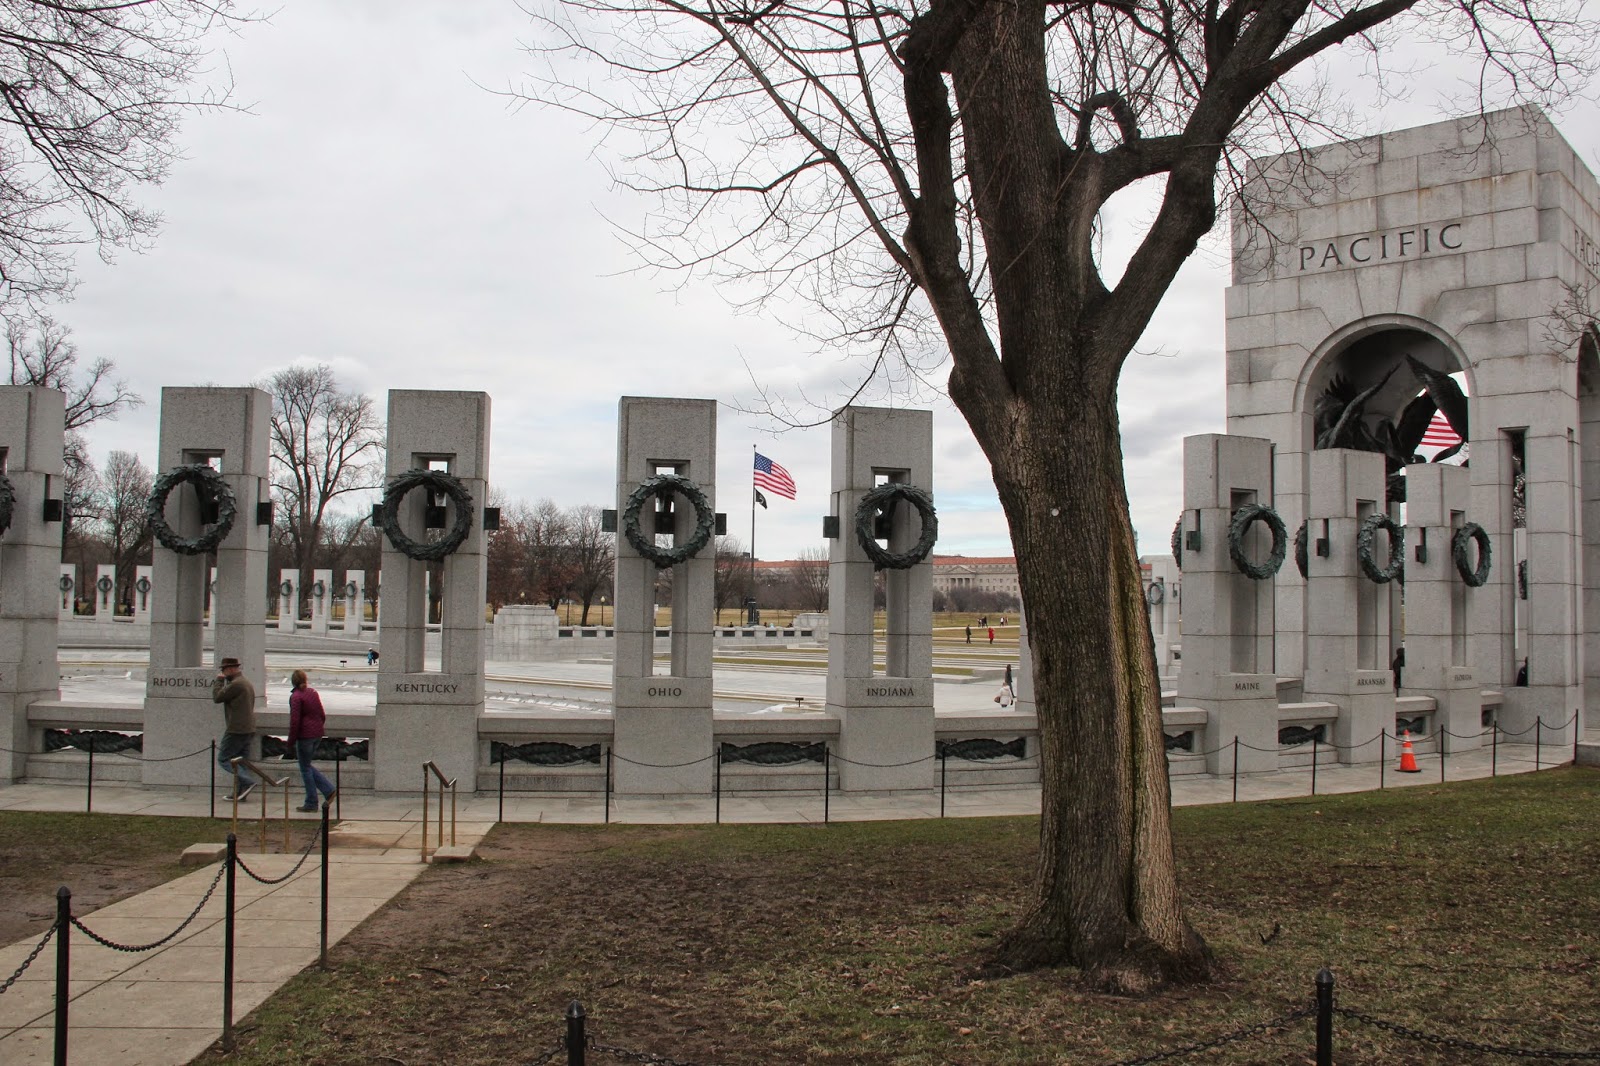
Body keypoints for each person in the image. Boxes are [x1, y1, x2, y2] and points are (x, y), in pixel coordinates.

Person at [288, 669, 336, 812]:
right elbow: (322, 714)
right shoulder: (312, 693)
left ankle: (311, 802)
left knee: (305, 768)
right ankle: (328, 790)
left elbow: (295, 721)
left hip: (305, 736)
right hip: (317, 734)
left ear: (293, 681)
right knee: (307, 765)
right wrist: (318, 729)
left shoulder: (296, 696)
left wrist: (290, 742)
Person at [212, 656, 257, 802]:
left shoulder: (236, 684)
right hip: (248, 728)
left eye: (224, 670)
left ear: (231, 669)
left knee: (224, 759)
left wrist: (219, 681)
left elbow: (217, 697)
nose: (223, 673)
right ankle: (239, 794)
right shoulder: (246, 683)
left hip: (236, 729)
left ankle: (247, 781)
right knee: (240, 762)